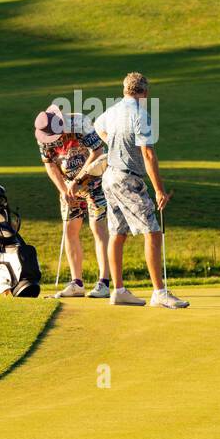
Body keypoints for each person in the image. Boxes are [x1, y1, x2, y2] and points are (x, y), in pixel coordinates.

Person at [88, 73, 189, 309]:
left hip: (109, 177)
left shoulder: (112, 110)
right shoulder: (141, 114)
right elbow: (148, 154)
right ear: (145, 92)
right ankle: (159, 293)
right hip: (127, 179)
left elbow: (97, 126)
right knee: (152, 231)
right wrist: (159, 190)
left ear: (125, 90)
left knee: (118, 233)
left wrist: (114, 143)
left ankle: (119, 290)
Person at [34, 104, 111, 298]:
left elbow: (98, 151)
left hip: (95, 180)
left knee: (98, 227)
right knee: (70, 230)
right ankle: (77, 283)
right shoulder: (42, 134)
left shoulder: (80, 122)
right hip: (68, 186)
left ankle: (104, 282)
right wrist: (64, 190)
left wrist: (79, 180)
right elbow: (50, 165)